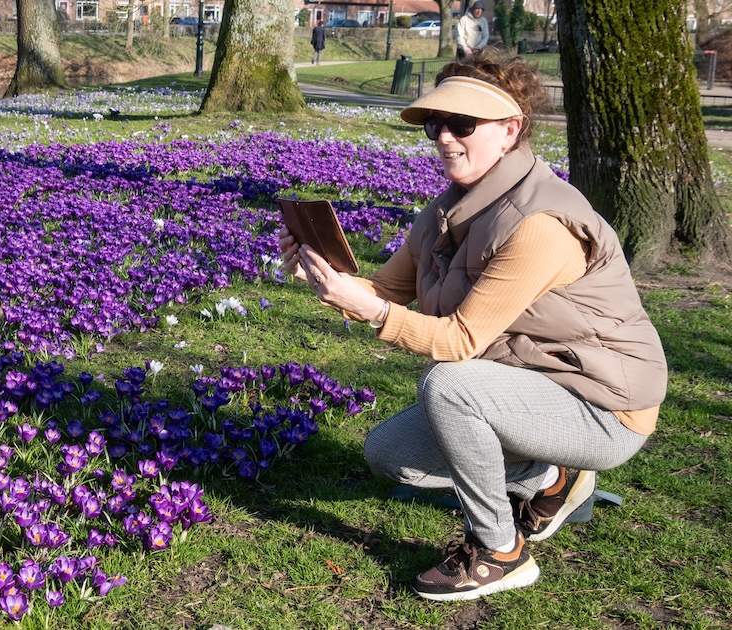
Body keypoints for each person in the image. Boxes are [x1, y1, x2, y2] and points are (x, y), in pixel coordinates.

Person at [278, 51, 667, 602]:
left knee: (450, 384)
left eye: (462, 125)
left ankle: (500, 552)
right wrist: (327, 276)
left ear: (511, 130)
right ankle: (555, 479)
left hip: (604, 406)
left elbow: (459, 340)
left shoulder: (541, 224)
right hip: (529, 384)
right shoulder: (447, 208)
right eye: (436, 125)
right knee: (389, 456)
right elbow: (386, 293)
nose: (442, 138)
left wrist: (373, 313)